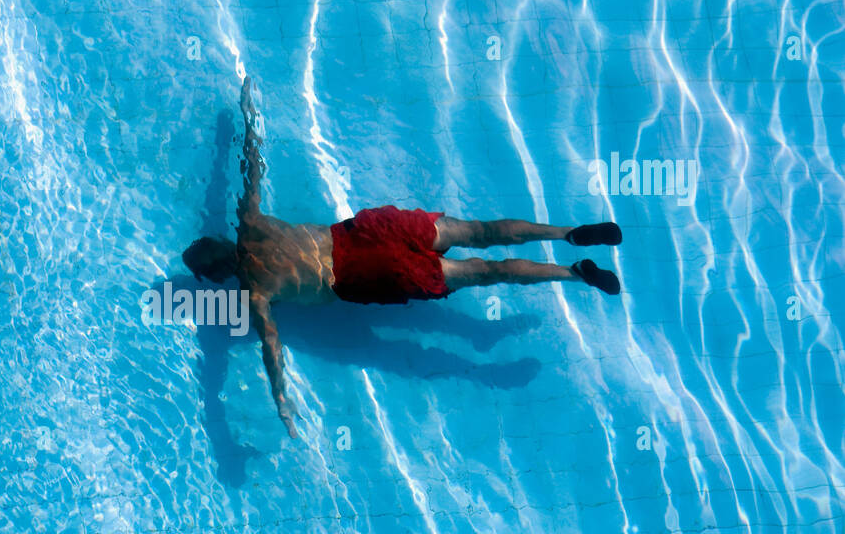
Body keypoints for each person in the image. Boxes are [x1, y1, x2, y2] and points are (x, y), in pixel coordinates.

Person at [183, 76, 623, 438]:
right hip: (366, 230)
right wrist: (248, 114)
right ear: (219, 242)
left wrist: (281, 400)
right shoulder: (249, 221)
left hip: (361, 272)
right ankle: (566, 232)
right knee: (480, 231)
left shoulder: (256, 291)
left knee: (483, 273)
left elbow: (271, 347)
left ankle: (573, 273)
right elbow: (251, 163)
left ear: (218, 274)